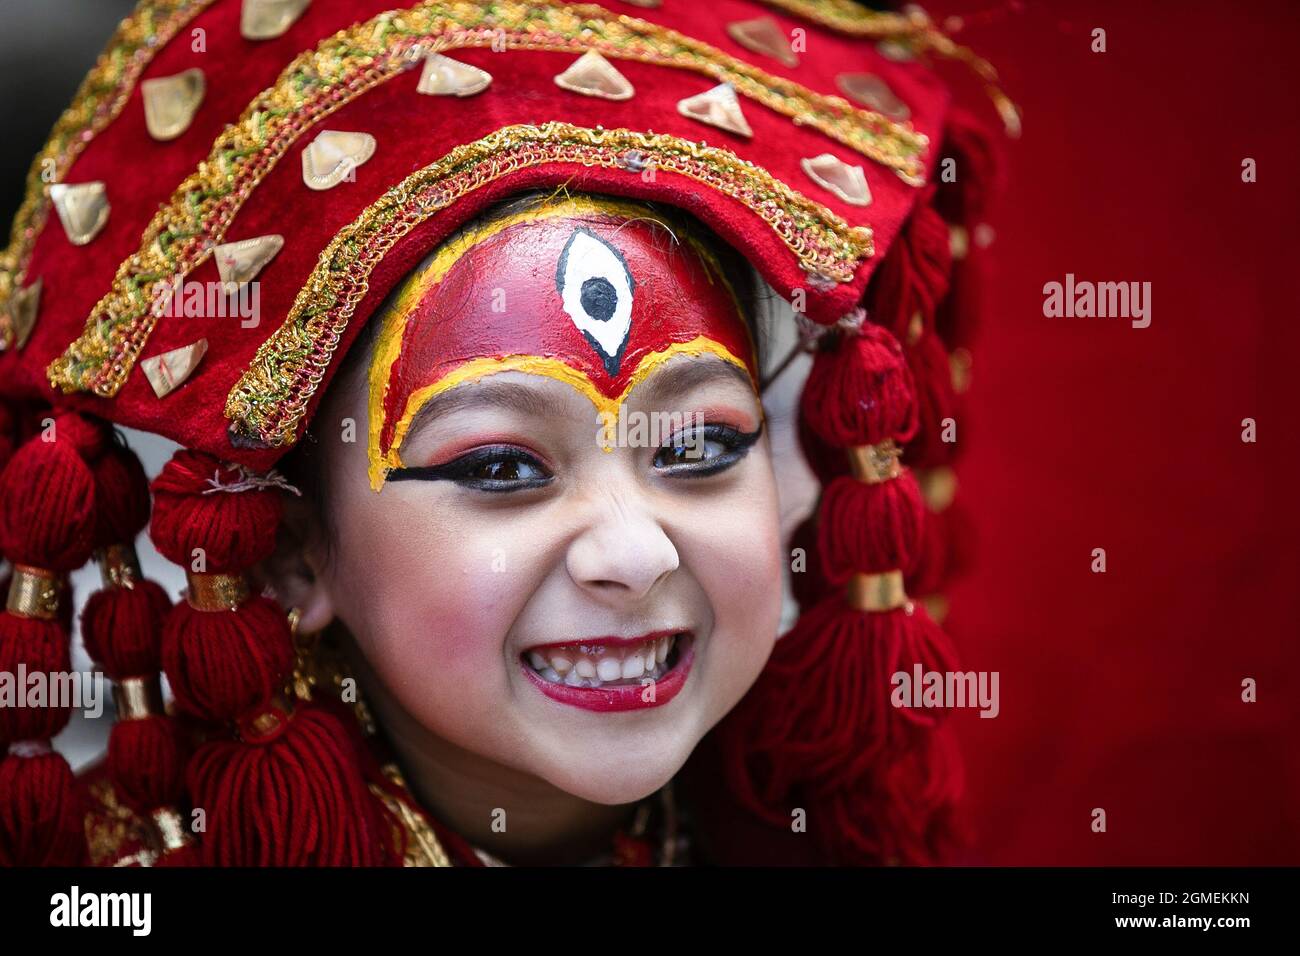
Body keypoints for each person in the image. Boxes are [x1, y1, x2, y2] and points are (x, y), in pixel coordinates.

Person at [0, 0, 1009, 867]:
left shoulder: (818, 833)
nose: (635, 553)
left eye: (699, 447)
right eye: (500, 466)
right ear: (295, 558)